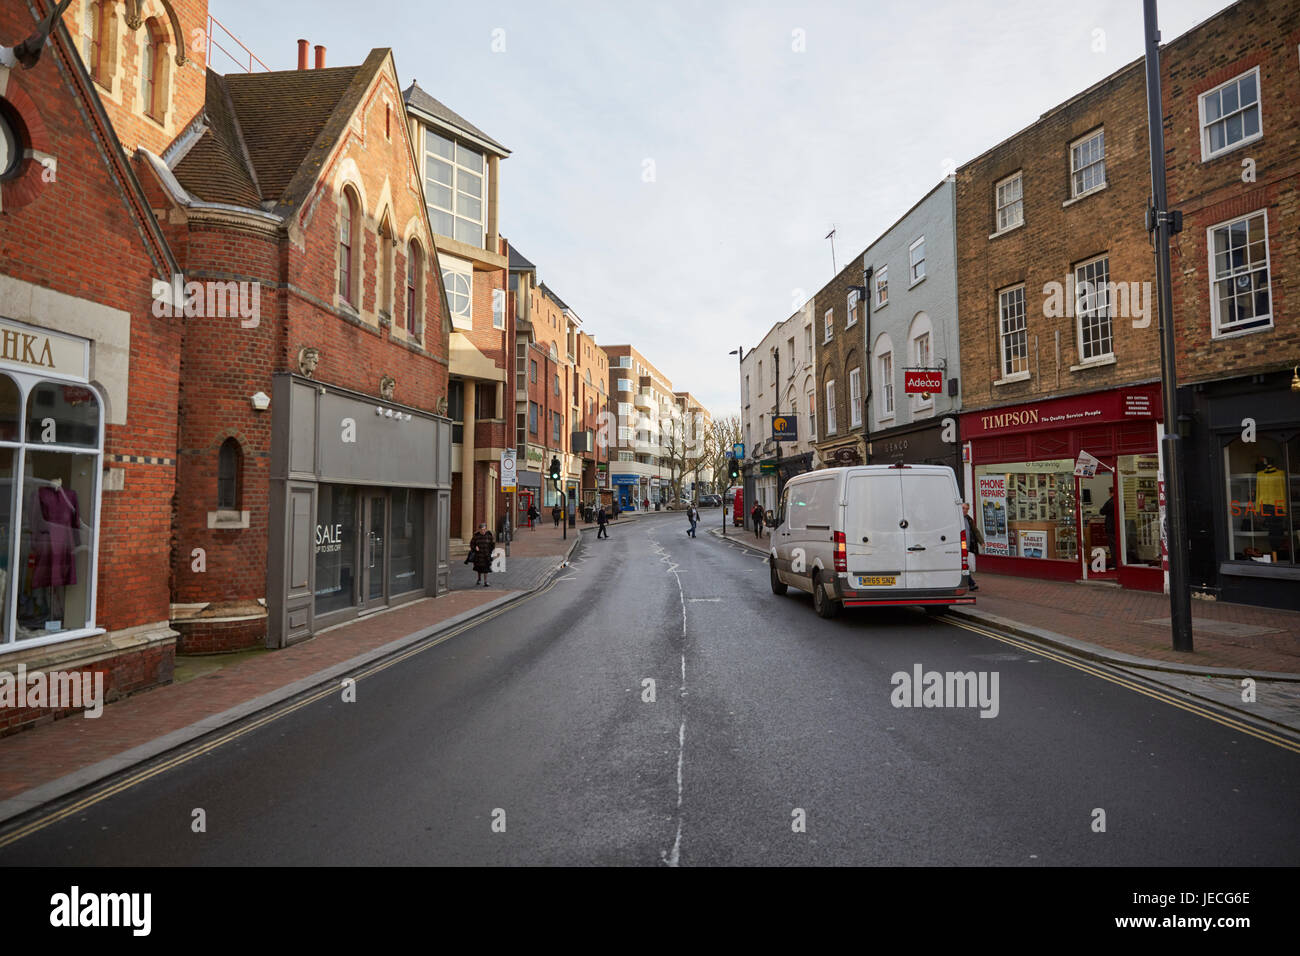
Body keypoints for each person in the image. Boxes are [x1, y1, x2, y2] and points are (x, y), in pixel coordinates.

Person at [468, 522, 495, 587]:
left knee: (486, 568)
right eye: (482, 529)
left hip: (486, 555)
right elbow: (472, 544)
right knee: (479, 568)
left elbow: (492, 544)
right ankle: (479, 579)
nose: (483, 531)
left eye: (484, 529)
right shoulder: (476, 536)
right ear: (479, 529)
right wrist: (475, 547)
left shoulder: (489, 535)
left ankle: (485, 581)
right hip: (478, 555)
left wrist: (490, 551)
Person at [962, 502, 982, 592]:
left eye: (966, 509)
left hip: (967, 547)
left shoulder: (969, 519)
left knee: (964, 565)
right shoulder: (957, 519)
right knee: (964, 565)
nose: (965, 510)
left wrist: (981, 542)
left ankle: (969, 583)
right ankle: (971, 584)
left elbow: (975, 531)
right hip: (959, 547)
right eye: (963, 508)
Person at [1099, 491, 1116, 569]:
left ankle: (1114, 563)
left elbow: (1102, 511)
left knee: (1112, 546)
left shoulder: (1110, 502)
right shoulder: (1121, 500)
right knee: (1117, 545)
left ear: (1111, 493)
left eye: (1109, 493)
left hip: (1110, 526)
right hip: (1118, 526)